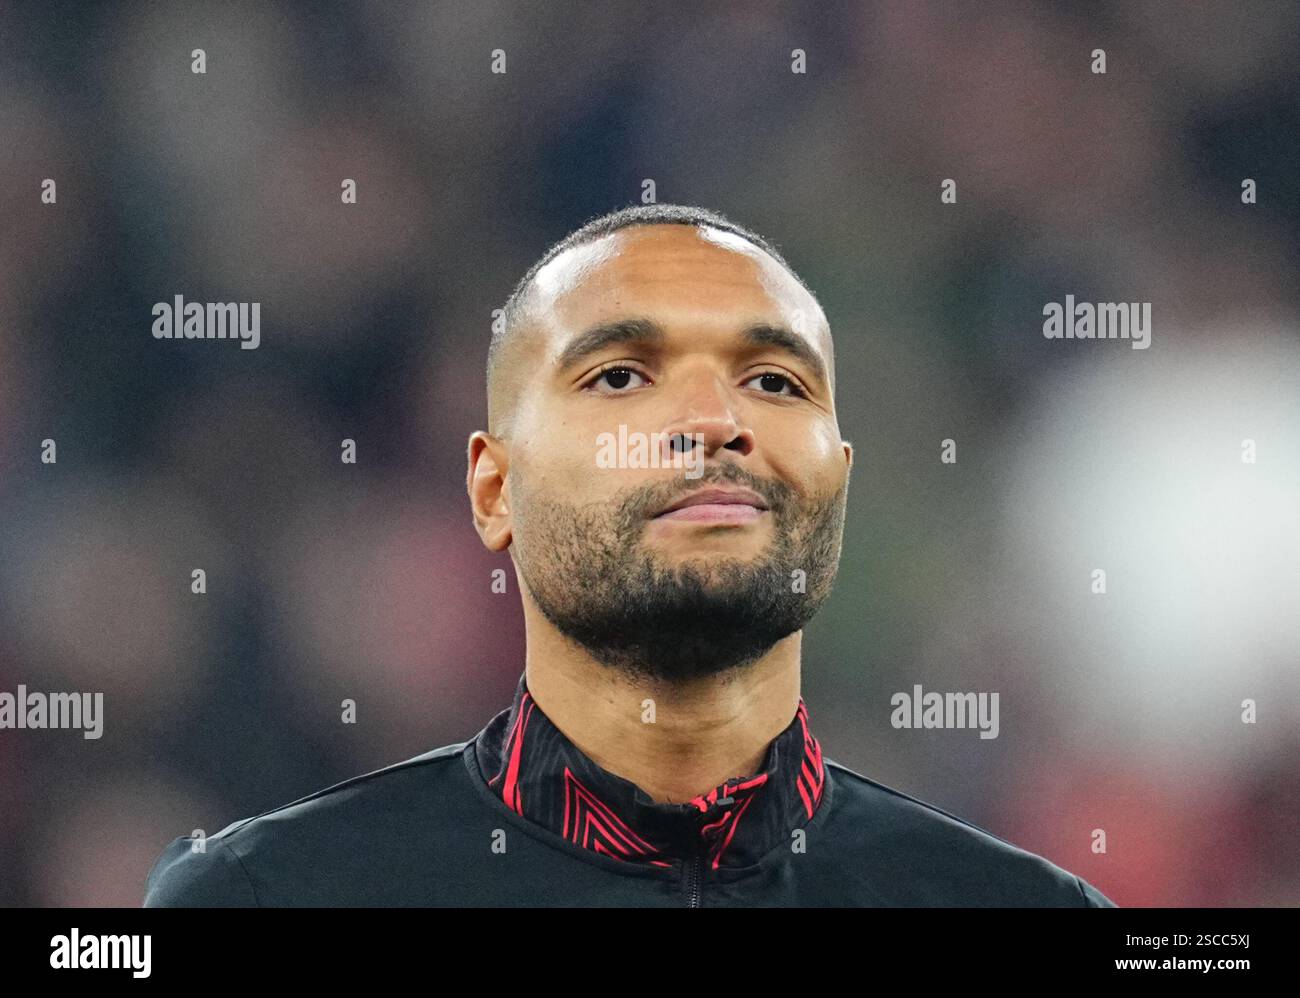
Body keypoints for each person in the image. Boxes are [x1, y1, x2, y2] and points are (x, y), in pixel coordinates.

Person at [144, 204, 1116, 907]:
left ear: (840, 481)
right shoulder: (265, 898)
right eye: (619, 374)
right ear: (493, 490)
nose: (714, 421)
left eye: (773, 380)